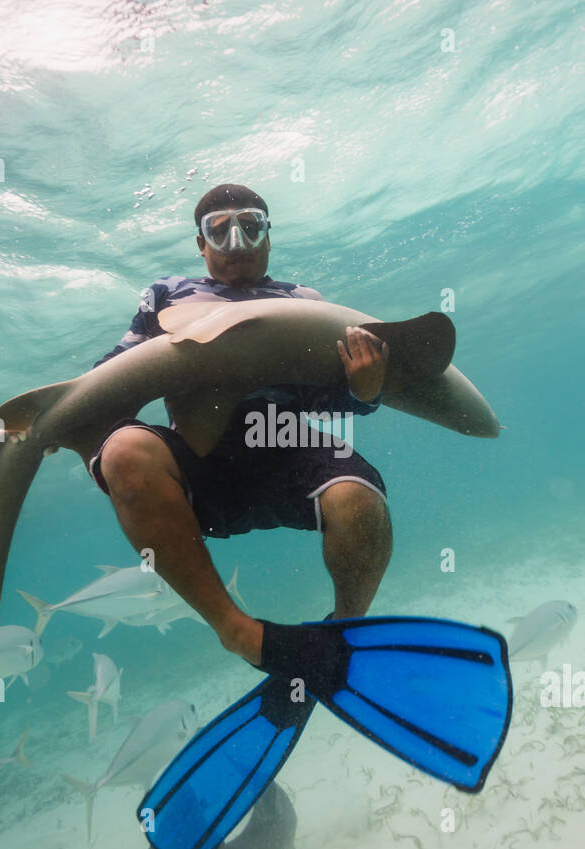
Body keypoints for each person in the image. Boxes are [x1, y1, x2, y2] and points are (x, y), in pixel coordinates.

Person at [88, 183, 392, 666]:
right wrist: (67, 416)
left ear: (270, 237)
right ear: (200, 243)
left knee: (359, 500)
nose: (237, 243)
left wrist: (365, 389)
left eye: (251, 227)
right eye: (220, 230)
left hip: (287, 444)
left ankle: (343, 633)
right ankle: (237, 632)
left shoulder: (303, 299)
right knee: (123, 451)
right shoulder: (165, 294)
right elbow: (117, 370)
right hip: (201, 453)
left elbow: (325, 398)